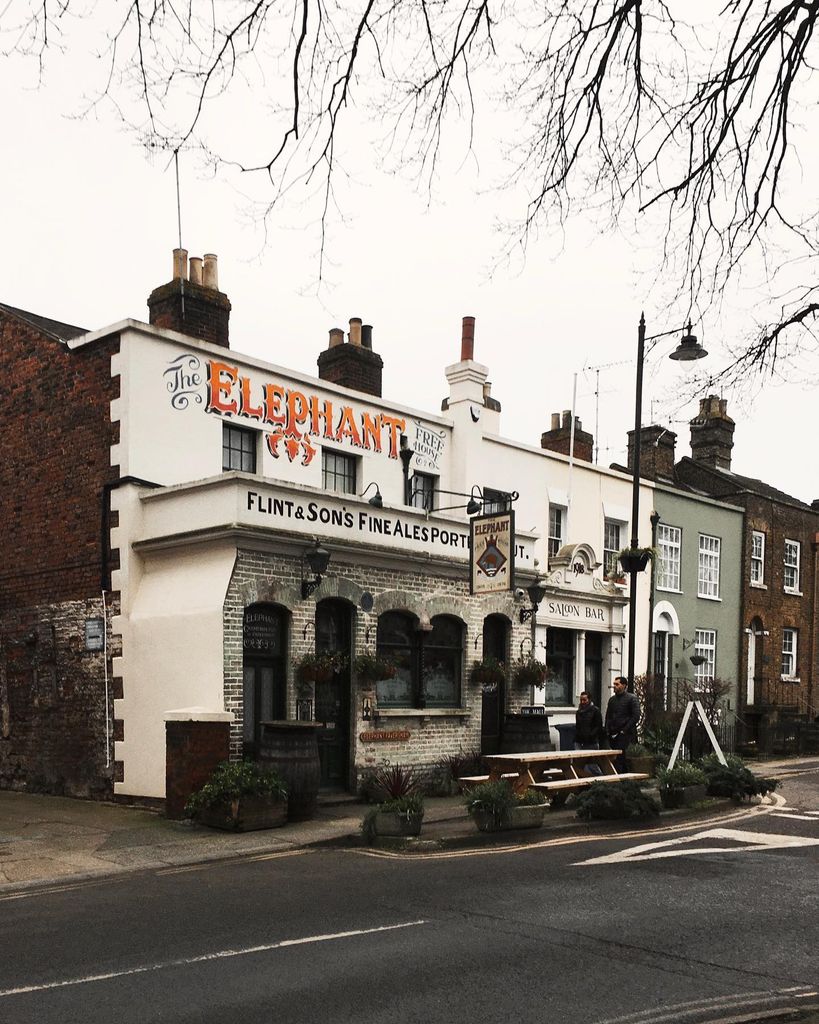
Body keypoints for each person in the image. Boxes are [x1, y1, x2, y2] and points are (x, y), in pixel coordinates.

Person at [605, 676, 640, 771]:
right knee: (615, 758)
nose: (614, 686)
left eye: (617, 684)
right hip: (613, 733)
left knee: (621, 758)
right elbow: (608, 716)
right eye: (614, 684)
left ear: (624, 685)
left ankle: (621, 779)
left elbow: (636, 716)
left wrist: (624, 730)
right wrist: (607, 730)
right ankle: (621, 778)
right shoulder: (612, 700)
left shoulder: (632, 698)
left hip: (625, 734)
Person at [575, 690, 605, 776]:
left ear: (589, 700)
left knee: (592, 764)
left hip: (591, 741)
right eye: (581, 700)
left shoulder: (595, 711)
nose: (582, 702)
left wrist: (591, 736)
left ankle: (600, 780)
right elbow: (578, 726)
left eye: (584, 700)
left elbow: (598, 726)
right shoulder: (579, 712)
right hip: (579, 741)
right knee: (579, 763)